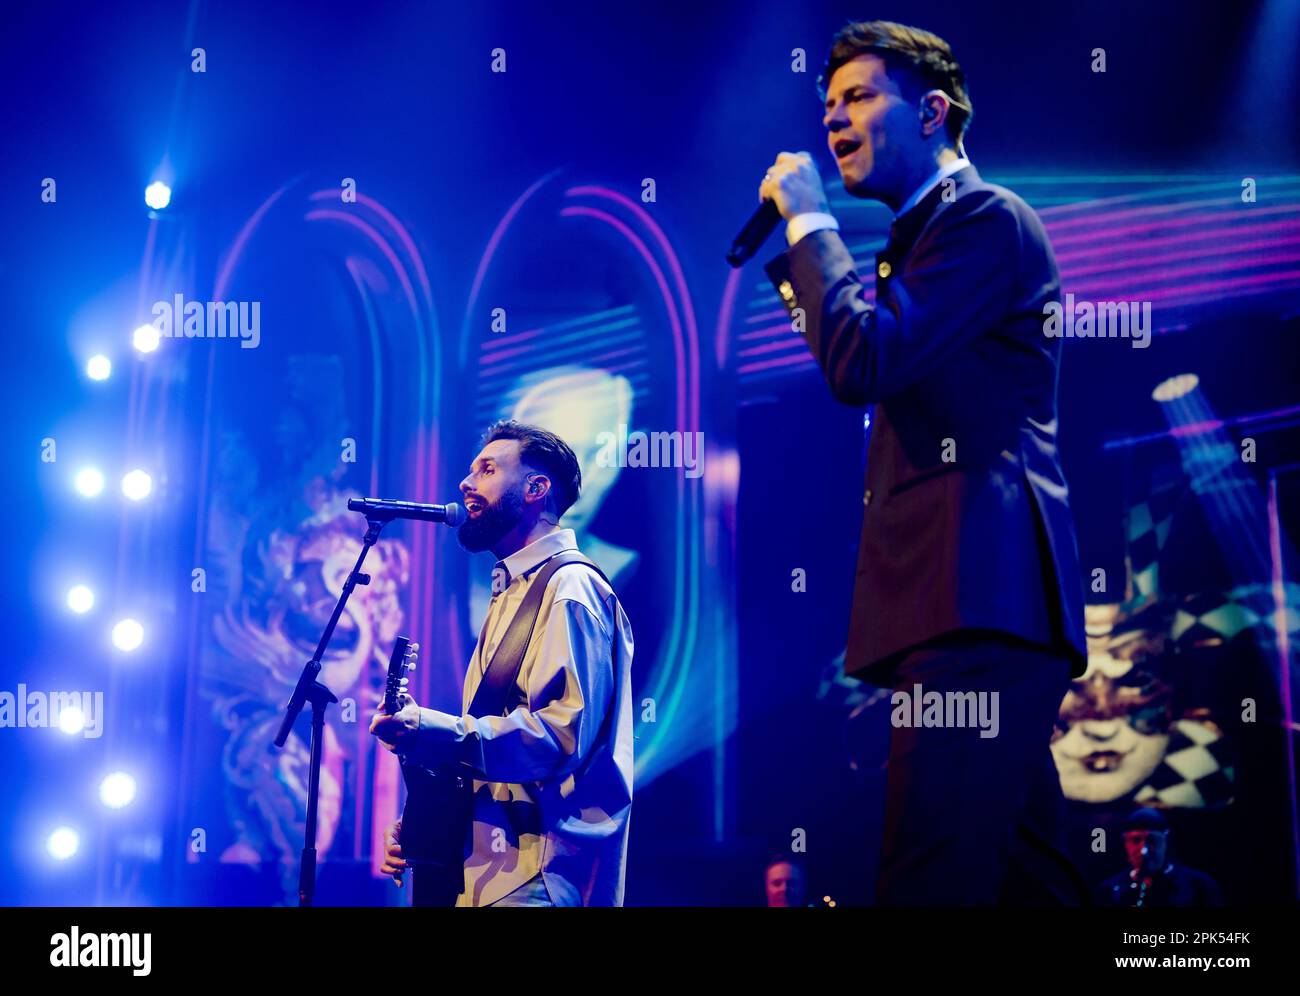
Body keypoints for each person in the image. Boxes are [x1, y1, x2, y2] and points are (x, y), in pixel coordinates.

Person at [758, 19, 1088, 905]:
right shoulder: (920, 242)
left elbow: (864, 361)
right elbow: (851, 356)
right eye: (827, 105)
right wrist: (802, 255)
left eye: (859, 97)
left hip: (977, 601)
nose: (833, 122)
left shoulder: (985, 220)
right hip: (970, 611)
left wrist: (810, 222)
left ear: (934, 112)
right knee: (1029, 884)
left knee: (926, 882)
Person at [370, 420, 635, 906]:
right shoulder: (514, 590)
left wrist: (431, 727)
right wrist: (429, 821)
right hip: (490, 875)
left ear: (536, 488)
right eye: (471, 471)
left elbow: (556, 738)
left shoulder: (569, 589)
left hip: (538, 878)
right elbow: (494, 750)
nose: (466, 484)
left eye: (487, 470)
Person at [1095, 808, 1224, 907]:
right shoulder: (1108, 890)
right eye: (1135, 840)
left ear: (1166, 841)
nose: (1143, 850)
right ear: (1125, 843)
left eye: (1152, 840)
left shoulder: (1200, 886)